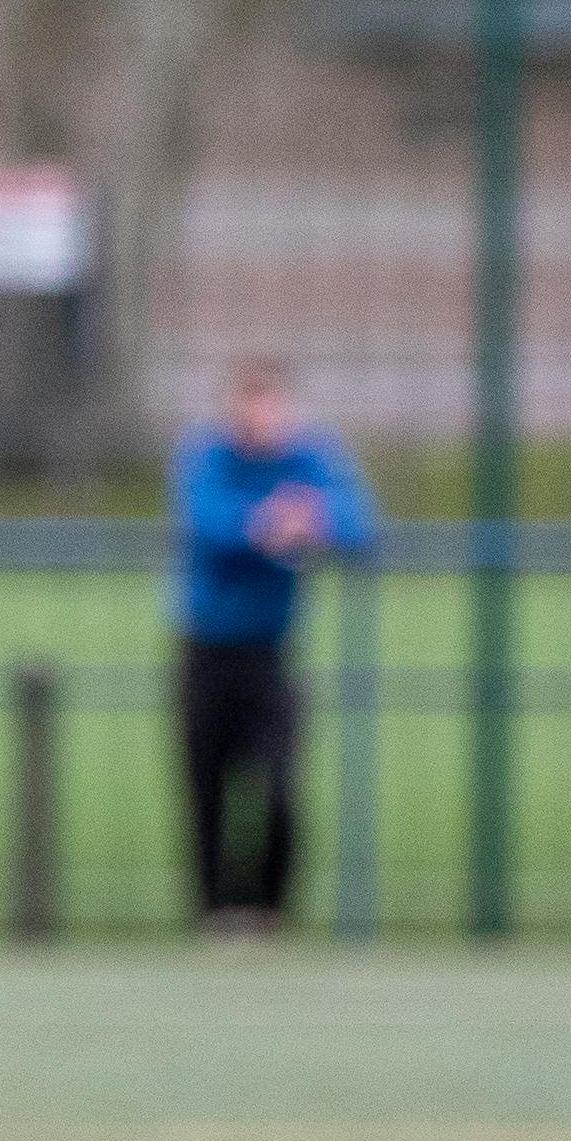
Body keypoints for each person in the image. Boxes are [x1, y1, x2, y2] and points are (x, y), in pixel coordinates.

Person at [168, 355, 376, 935]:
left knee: (279, 782)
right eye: (250, 402)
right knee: (205, 787)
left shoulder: (309, 457)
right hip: (205, 649)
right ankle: (215, 913)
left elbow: (358, 521)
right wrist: (265, 523)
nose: (262, 415)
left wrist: (315, 520)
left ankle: (268, 909)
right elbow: (207, 522)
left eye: (272, 403)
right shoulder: (206, 457)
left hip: (270, 653)